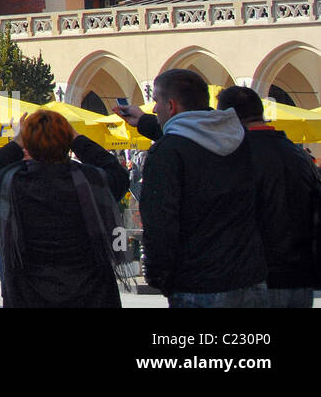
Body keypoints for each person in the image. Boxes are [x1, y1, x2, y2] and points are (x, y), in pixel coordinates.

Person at [116, 69, 267, 307]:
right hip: (249, 278)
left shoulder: (167, 153)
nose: (154, 109)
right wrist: (145, 123)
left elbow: (160, 222)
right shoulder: (240, 141)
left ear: (172, 106)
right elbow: (198, 138)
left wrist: (158, 276)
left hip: (197, 283)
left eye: (156, 102)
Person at [0, 110, 128, 308]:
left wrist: (17, 142)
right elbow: (117, 172)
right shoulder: (91, 180)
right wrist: (78, 139)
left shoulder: (11, 184)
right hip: (91, 293)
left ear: (29, 146)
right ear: (67, 141)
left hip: (29, 294)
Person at [215, 86, 320, 308]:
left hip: (256, 278)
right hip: (300, 278)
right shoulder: (297, 155)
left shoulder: (235, 157)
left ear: (228, 118)